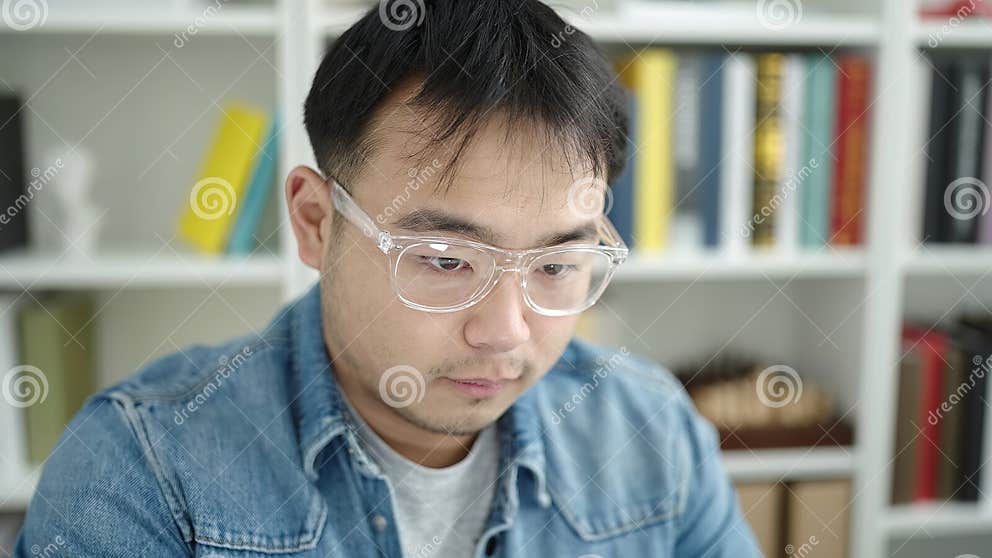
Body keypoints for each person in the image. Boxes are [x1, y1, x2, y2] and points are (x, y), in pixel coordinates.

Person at [16, 1, 760, 556]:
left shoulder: (649, 431)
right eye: (446, 260)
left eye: (557, 266)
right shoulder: (143, 470)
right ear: (315, 222)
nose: (505, 333)